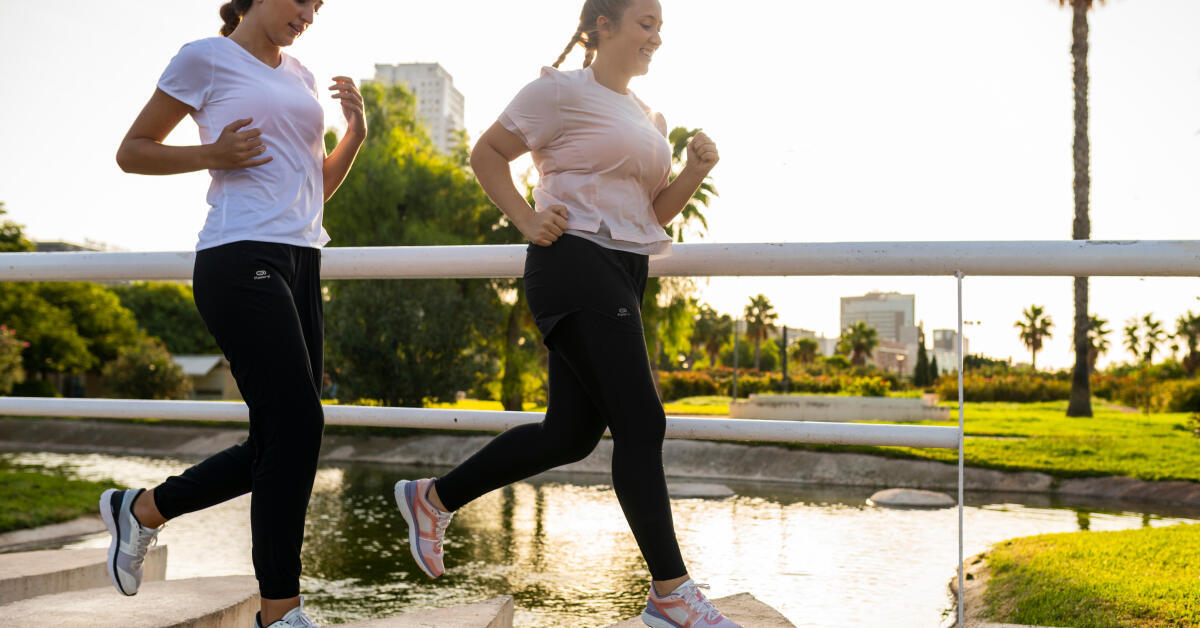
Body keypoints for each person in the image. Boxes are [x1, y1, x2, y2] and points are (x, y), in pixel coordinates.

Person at [392, 1, 739, 626]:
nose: (656, 37)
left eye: (660, 27)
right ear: (602, 26)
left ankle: (433, 498)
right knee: (642, 422)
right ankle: (669, 592)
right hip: (574, 260)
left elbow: (652, 215)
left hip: (624, 270)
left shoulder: (647, 115)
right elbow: (487, 153)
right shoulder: (557, 93)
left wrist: (692, 169)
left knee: (571, 435)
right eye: (645, 24)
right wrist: (525, 217)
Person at [103, 1, 365, 626]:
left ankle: (142, 511)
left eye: (318, 6)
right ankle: (281, 608)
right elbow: (131, 151)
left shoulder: (301, 75)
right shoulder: (206, 58)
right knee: (296, 426)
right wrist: (212, 155)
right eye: (300, 0)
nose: (308, 14)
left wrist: (354, 136)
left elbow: (312, 189)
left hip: (302, 260)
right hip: (236, 255)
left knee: (286, 436)